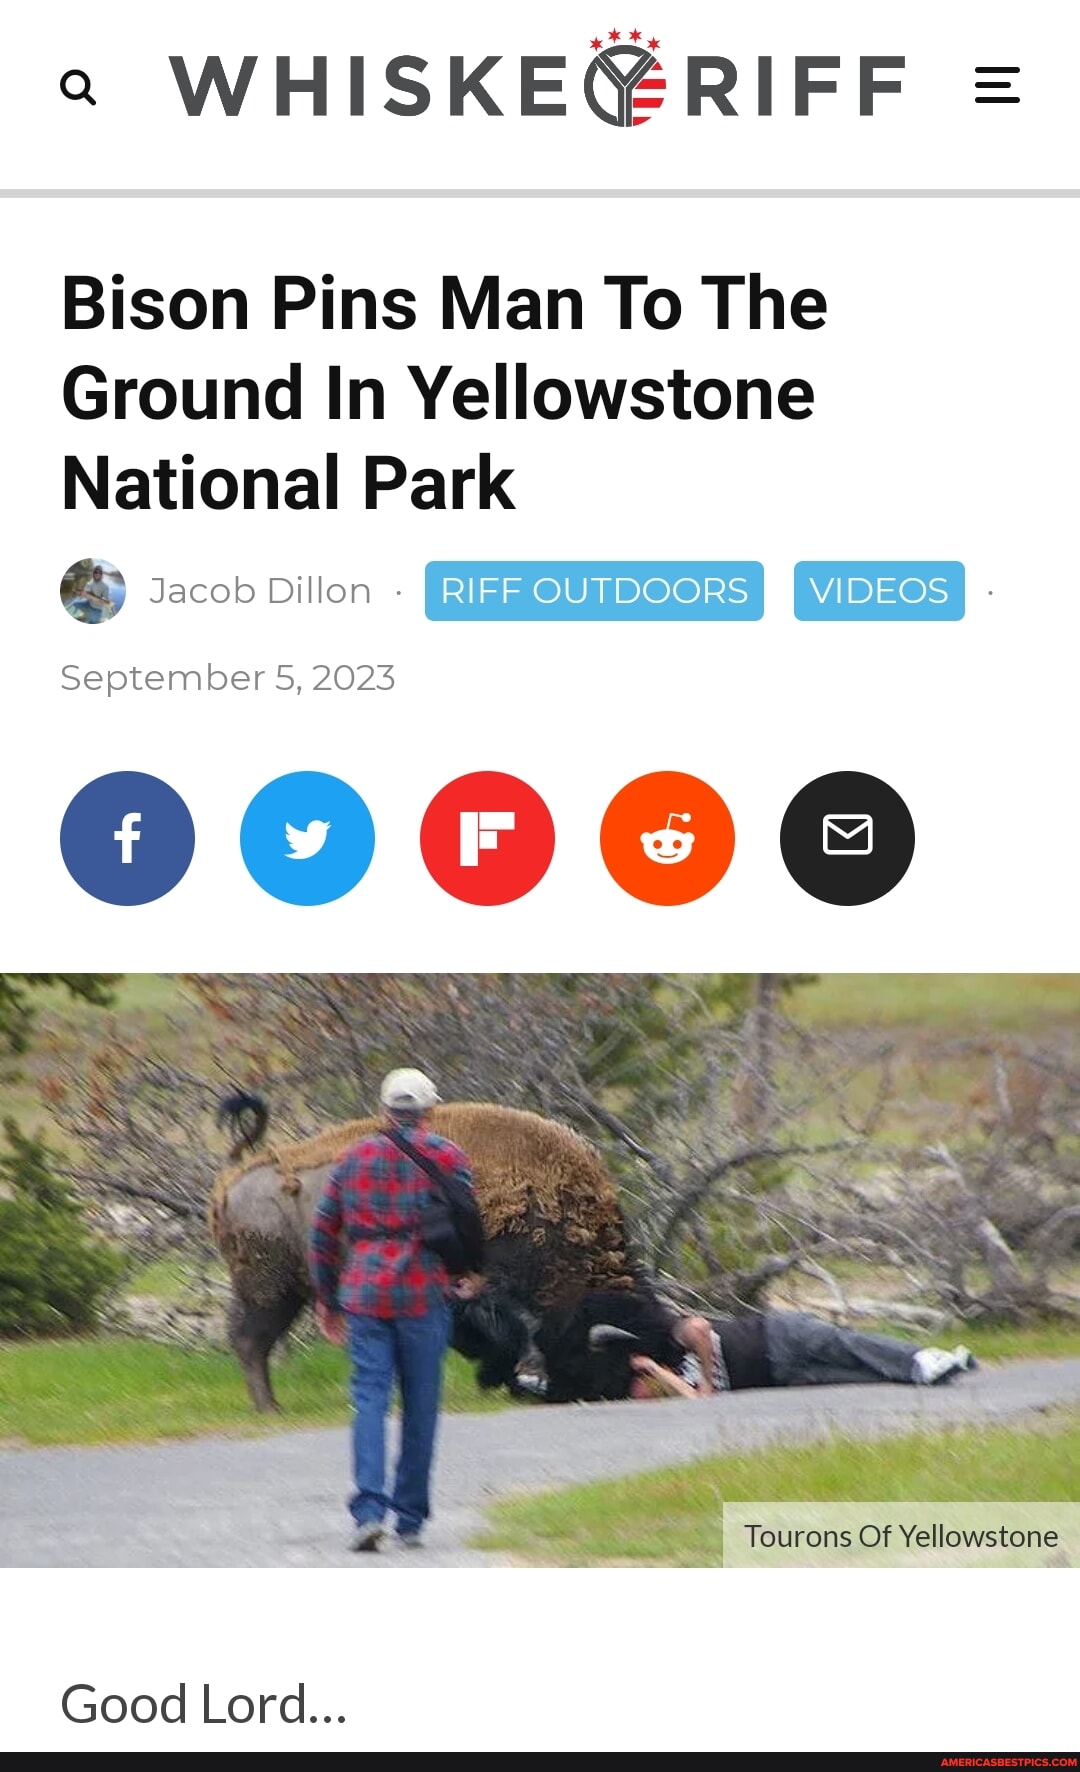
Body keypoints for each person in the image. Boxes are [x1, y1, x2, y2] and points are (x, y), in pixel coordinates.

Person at [309, 1068, 482, 1552]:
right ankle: (409, 1518)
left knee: (369, 1399)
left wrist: (327, 1298)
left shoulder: (353, 1158)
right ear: (429, 1112)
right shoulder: (447, 1156)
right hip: (424, 1292)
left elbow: (322, 1233)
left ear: (384, 1112)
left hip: (363, 1295)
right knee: (420, 1406)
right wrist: (470, 1270)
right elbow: (468, 1218)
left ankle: (368, 1510)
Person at [589, 1306, 977, 1399]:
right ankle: (923, 1375)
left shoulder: (669, 1341)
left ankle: (924, 1358)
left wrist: (703, 1375)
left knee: (847, 1345)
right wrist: (662, 1377)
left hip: (776, 1336)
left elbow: (700, 1328)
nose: (639, 1399)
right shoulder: (672, 1385)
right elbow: (699, 1401)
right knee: (858, 1377)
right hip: (782, 1376)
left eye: (637, 1387)